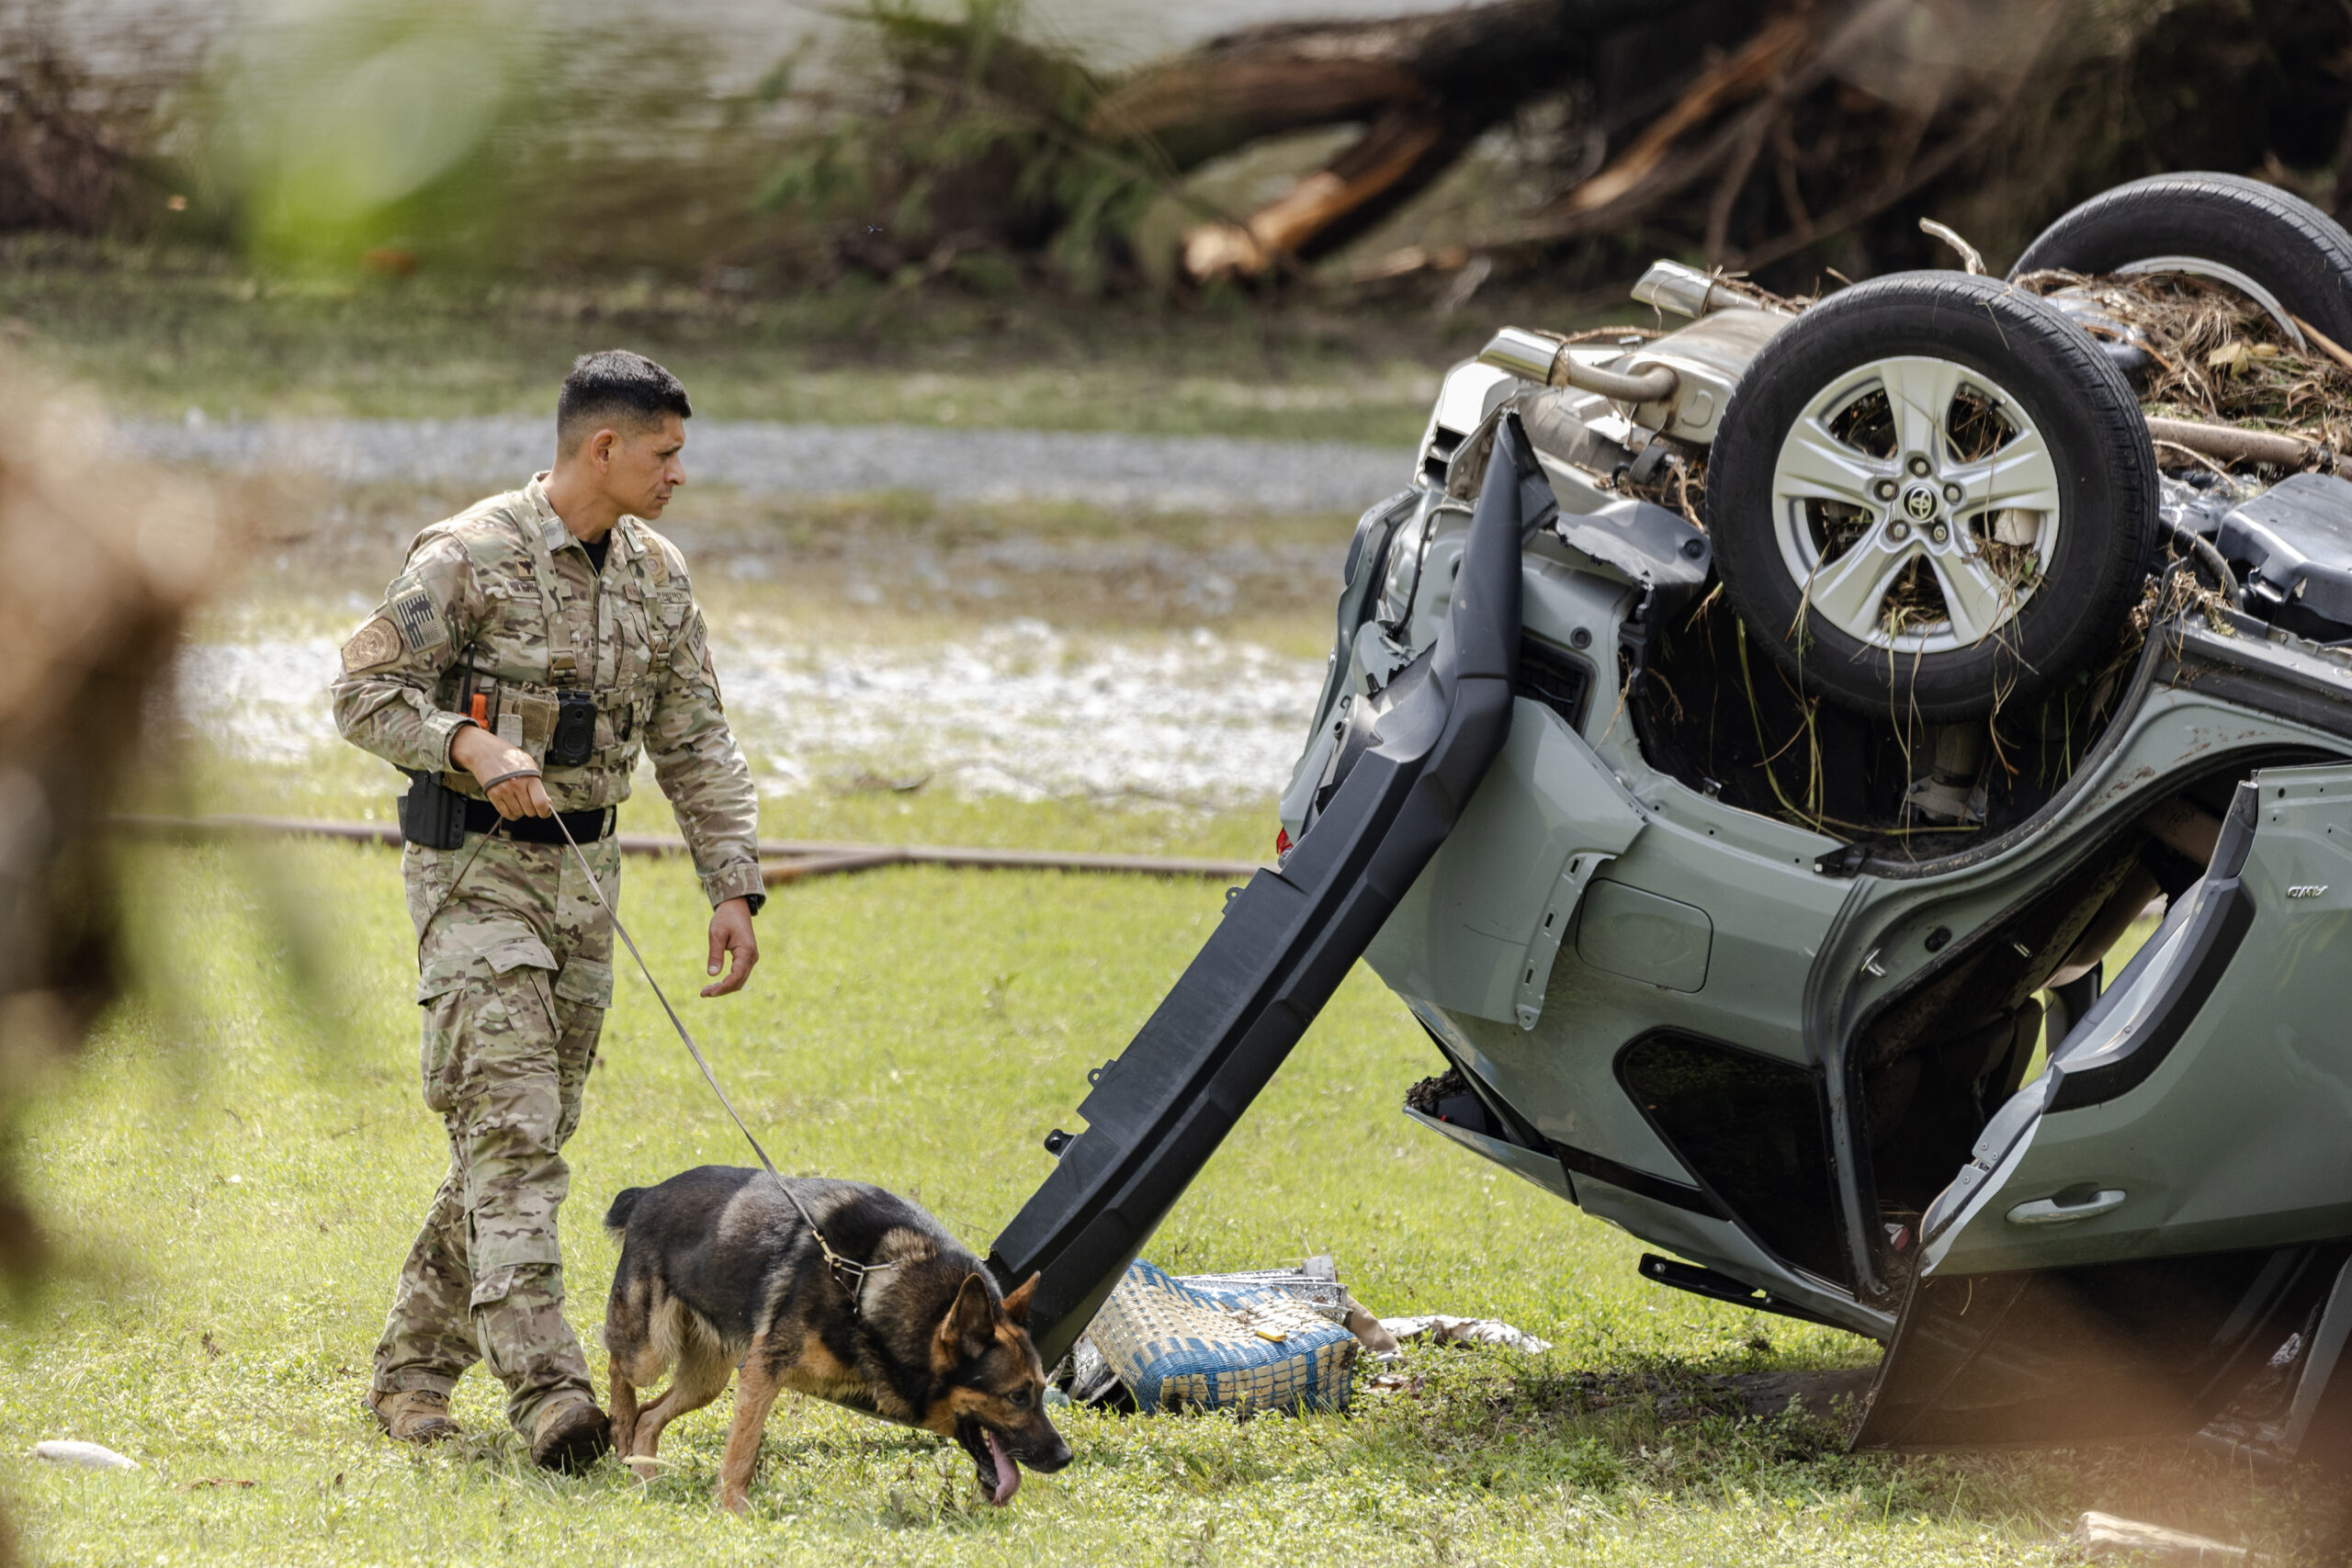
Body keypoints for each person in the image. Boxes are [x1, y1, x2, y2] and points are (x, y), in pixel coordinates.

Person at [331, 350, 763, 1471]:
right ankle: (552, 1393)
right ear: (603, 448)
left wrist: (733, 885)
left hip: (585, 883)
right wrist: (464, 743)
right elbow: (361, 690)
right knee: (514, 1136)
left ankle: (412, 1371)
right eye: (665, 454)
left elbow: (695, 740)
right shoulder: (467, 556)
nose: (680, 475)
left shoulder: (660, 577)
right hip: (474, 875)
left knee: (515, 1132)